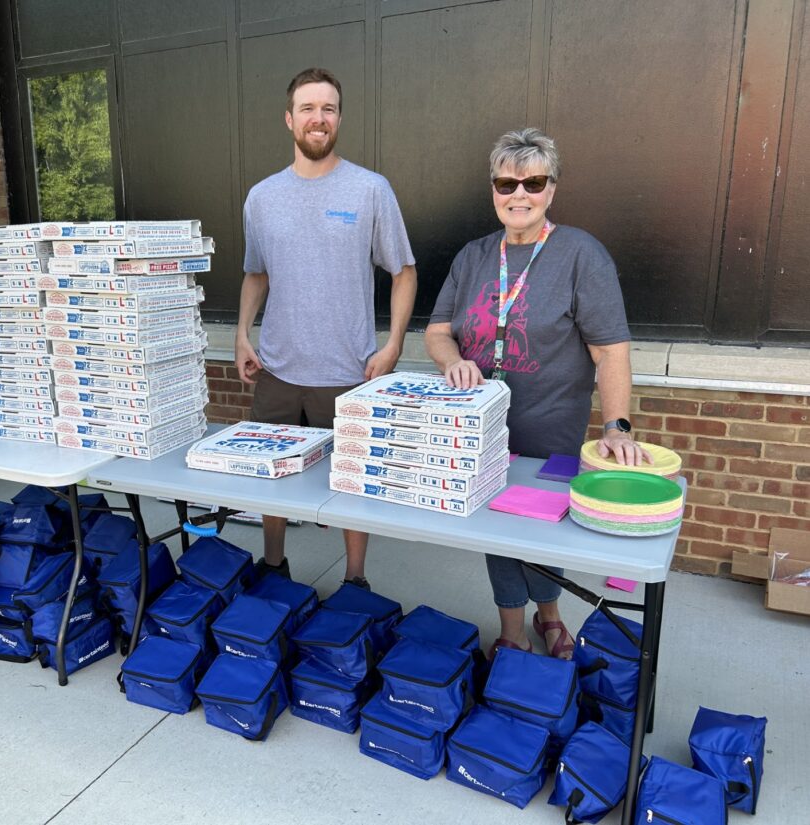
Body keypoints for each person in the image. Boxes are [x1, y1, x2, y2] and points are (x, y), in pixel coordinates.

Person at [425, 127, 649, 659]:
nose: (518, 194)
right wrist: (454, 359)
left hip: (551, 429)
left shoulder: (580, 255)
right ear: (493, 191)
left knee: (542, 530)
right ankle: (510, 627)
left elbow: (611, 350)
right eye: (506, 183)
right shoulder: (473, 257)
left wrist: (616, 426)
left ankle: (550, 615)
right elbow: (437, 331)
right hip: (482, 431)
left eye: (533, 182)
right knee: (495, 530)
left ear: (551, 190)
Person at [235, 68, 418, 591]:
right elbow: (256, 271)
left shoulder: (369, 189)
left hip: (348, 370)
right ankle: (274, 566)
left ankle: (354, 580)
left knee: (349, 485)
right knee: (270, 478)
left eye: (329, 109)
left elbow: (403, 271)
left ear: (339, 118)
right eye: (309, 108)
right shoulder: (262, 197)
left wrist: (394, 344)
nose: (319, 118)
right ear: (290, 119)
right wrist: (243, 334)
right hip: (277, 367)